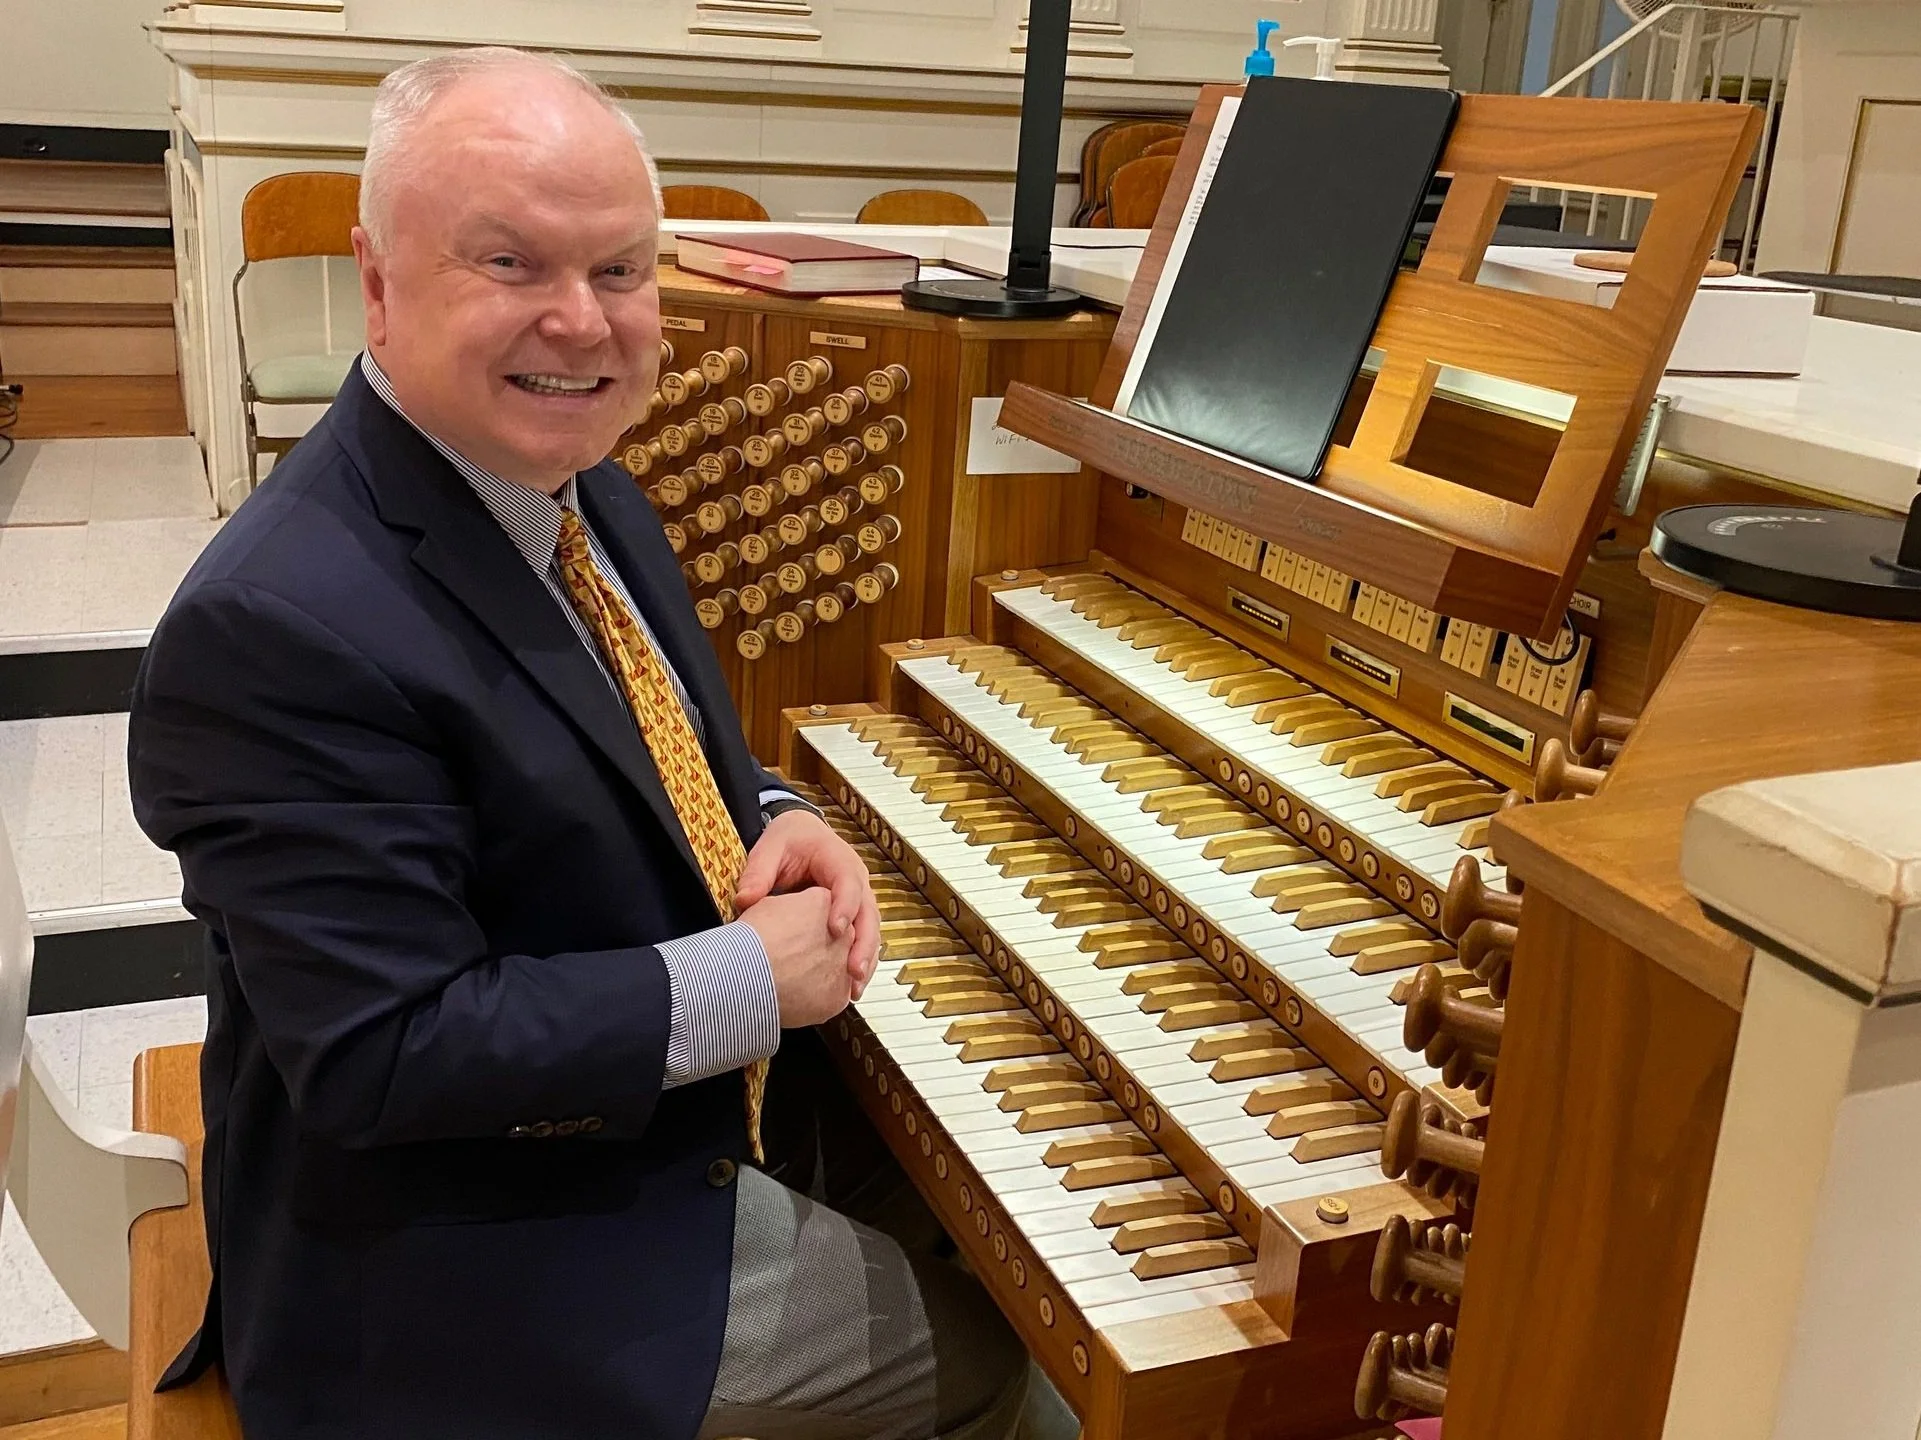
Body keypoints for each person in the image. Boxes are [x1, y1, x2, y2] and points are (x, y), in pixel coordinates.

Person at [128, 46, 1027, 1440]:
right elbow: (384, 1054)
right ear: (377, 281)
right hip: (463, 1251)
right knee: (999, 1366)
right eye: (510, 265)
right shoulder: (275, 626)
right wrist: (745, 979)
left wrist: (776, 812)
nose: (584, 324)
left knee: (1022, 1198)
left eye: (620, 271)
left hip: (628, 1124)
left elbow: (651, 760)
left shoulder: (570, 482)